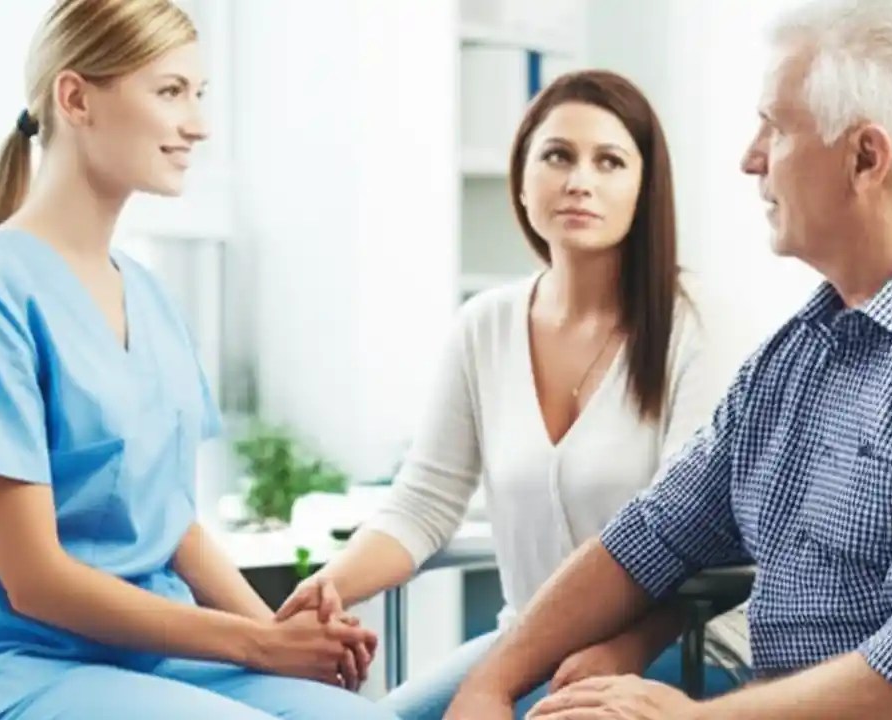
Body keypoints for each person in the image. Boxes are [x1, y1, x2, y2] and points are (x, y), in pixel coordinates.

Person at [444, 1, 892, 718]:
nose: (751, 157)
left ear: (865, 158)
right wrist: (490, 685)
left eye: (775, 128)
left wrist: (691, 719)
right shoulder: (801, 354)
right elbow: (653, 533)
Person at [0, 1, 397, 718]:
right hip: (22, 668)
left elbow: (175, 527)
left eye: (200, 94)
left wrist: (286, 638)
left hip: (162, 662)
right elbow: (36, 581)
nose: (198, 124)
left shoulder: (151, 298)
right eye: (170, 92)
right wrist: (258, 647)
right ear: (76, 99)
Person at [275, 69, 749, 719]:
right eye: (557, 156)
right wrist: (332, 585)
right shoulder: (484, 325)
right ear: (522, 181)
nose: (580, 180)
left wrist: (623, 647)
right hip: (528, 648)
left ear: (645, 189)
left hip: (682, 647)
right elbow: (422, 505)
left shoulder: (696, 326)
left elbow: (694, 536)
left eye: (609, 161)